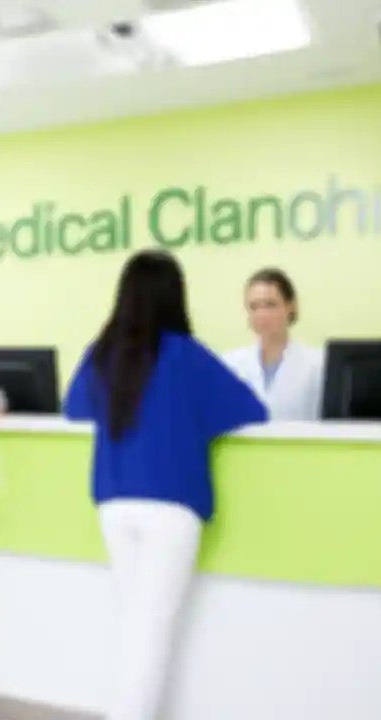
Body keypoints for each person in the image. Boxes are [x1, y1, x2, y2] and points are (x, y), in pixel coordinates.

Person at [63, 250, 267, 720]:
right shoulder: (186, 355)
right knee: (149, 634)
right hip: (170, 509)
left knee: (137, 630)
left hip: (114, 504)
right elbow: (252, 411)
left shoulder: (104, 352)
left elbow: (73, 406)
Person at [221, 268, 325, 421]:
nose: (262, 315)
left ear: (290, 307)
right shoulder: (230, 365)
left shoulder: (317, 364)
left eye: (270, 305)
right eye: (254, 307)